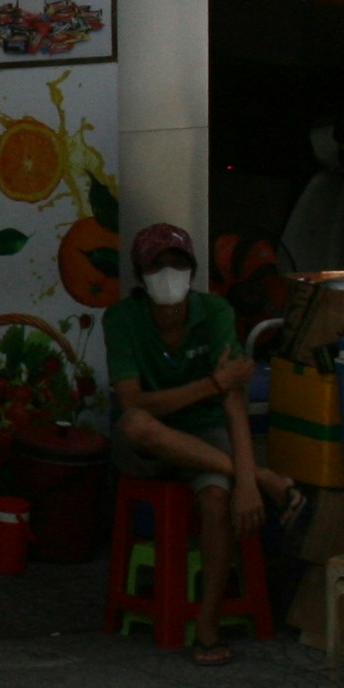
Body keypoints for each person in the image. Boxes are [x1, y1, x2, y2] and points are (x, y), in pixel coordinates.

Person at [104, 221, 299, 663]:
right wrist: (212, 384)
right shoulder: (123, 318)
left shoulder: (215, 314)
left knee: (216, 499)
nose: (170, 274)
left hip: (204, 435)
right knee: (136, 423)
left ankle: (208, 625)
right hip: (146, 445)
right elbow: (134, 402)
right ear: (141, 274)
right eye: (159, 266)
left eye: (179, 264)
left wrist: (242, 481)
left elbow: (233, 402)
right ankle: (269, 478)